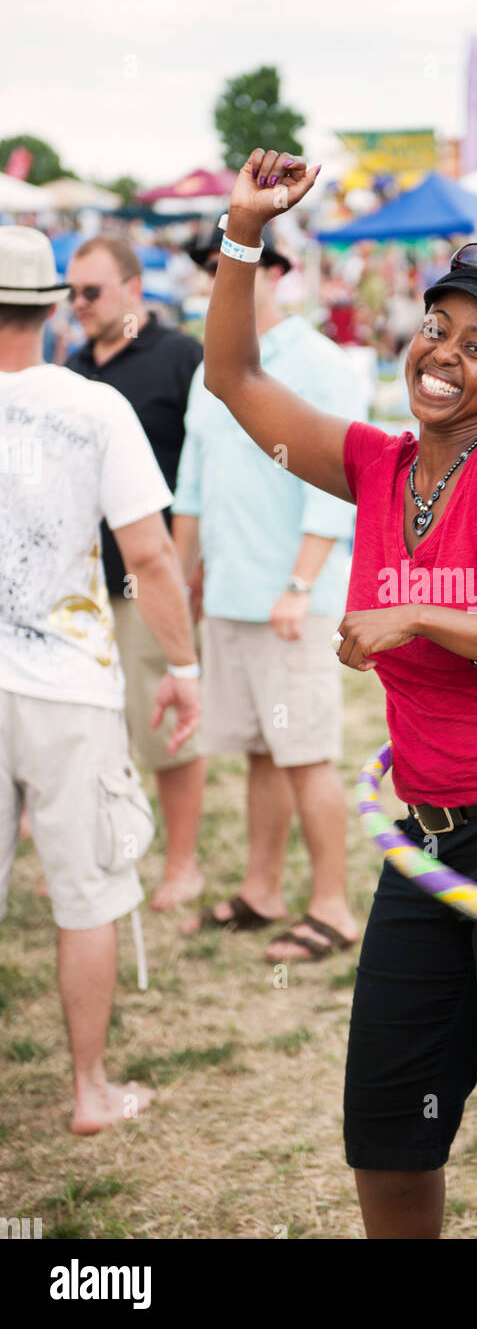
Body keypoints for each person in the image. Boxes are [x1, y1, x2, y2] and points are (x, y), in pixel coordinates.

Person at [203, 149, 477, 1241]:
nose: (444, 354)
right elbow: (234, 382)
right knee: (389, 1136)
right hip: (431, 843)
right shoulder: (373, 464)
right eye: (438, 329)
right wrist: (242, 234)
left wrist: (428, 618)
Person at [0, 226, 201, 1132]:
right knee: (87, 898)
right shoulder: (96, 408)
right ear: (53, 306)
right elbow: (150, 558)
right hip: (69, 684)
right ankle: (89, 1092)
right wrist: (185, 668)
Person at [176, 218, 362, 963]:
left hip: (293, 601)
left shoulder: (316, 362)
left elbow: (340, 483)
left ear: (276, 272)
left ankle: (333, 907)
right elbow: (192, 486)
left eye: (237, 265)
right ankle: (262, 890)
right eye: (213, 268)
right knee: (258, 752)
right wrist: (182, 577)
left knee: (306, 754)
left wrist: (300, 583)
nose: (220, 280)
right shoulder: (208, 367)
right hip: (228, 595)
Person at [65, 235, 206, 911]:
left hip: (152, 577)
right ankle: (109, 852)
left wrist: (191, 570)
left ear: (133, 288)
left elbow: (207, 473)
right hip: (80, 585)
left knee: (166, 733)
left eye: (91, 291)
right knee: (93, 728)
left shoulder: (182, 357)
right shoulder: (71, 368)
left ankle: (183, 866)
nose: (78, 305)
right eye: (71, 292)